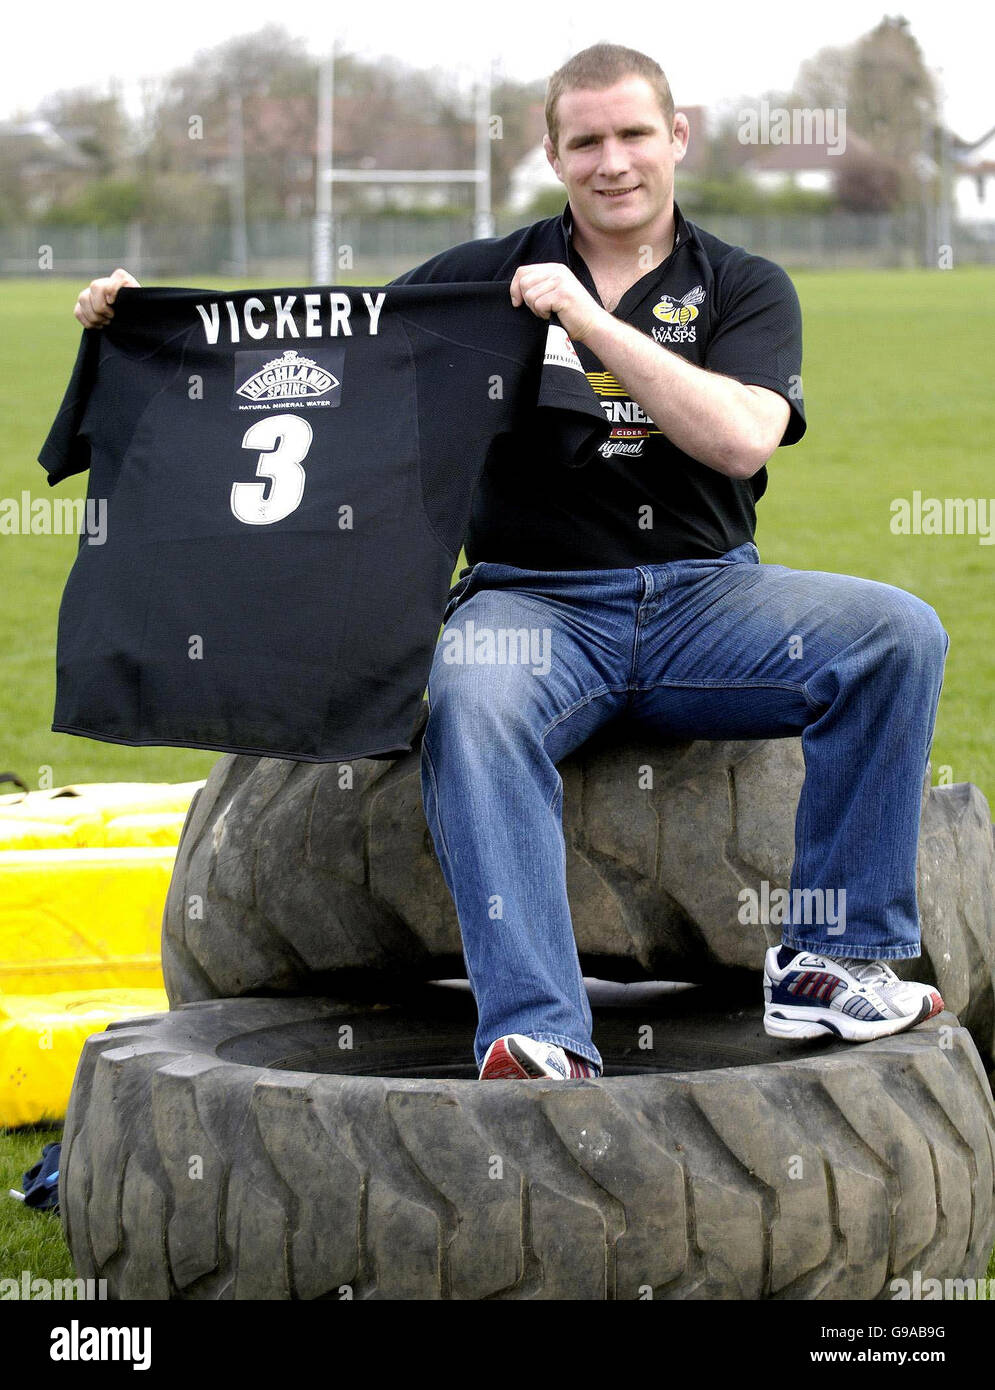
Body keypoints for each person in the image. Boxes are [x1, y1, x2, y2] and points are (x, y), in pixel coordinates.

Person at [74, 43, 948, 1083]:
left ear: (676, 138)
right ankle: (535, 1028)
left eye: (632, 134)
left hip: (707, 598)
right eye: (585, 141)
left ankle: (829, 960)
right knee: (467, 694)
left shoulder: (742, 285)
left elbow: (739, 438)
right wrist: (157, 322)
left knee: (897, 633)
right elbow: (328, 349)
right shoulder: (480, 277)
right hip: (530, 605)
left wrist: (584, 321)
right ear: (551, 151)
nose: (611, 161)